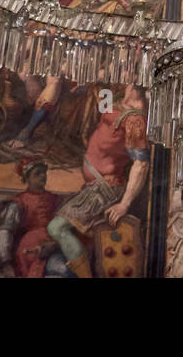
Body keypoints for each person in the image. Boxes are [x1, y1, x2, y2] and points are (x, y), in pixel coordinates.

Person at [45, 84, 149, 278]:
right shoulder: (116, 96)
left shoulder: (136, 119)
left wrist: (124, 204)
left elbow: (141, 164)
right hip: (93, 185)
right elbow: (100, 113)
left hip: (105, 188)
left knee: (56, 227)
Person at [0, 158, 61, 278]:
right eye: (37, 173)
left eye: (44, 172)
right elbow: (6, 232)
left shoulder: (55, 199)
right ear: (27, 178)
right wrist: (6, 263)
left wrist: (56, 243)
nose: (42, 176)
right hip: (30, 249)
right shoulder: (18, 202)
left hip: (54, 245)